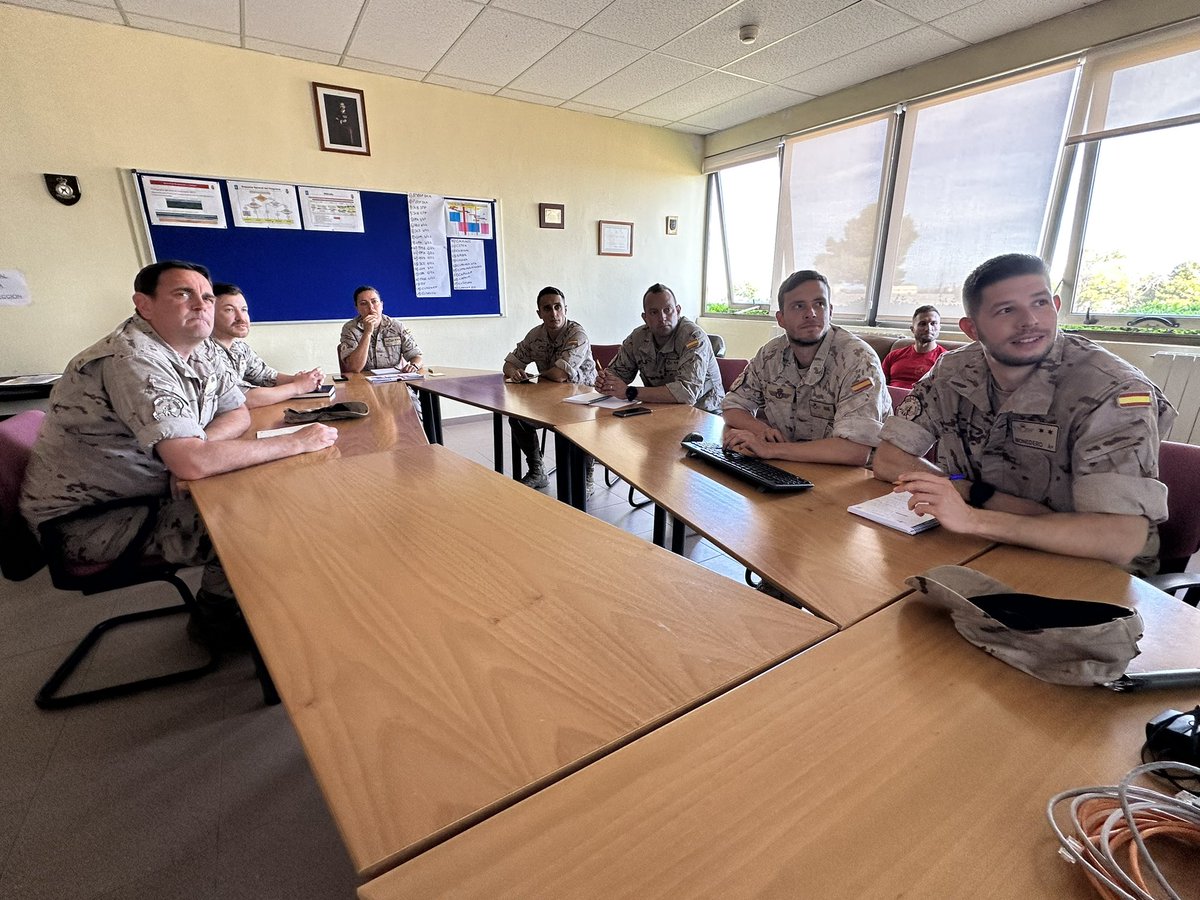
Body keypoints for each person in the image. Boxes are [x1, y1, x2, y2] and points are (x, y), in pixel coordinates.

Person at [20, 261, 338, 645]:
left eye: (206, 296)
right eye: (182, 294)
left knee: (264, 495)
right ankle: (217, 622)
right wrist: (295, 442)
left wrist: (195, 454)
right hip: (89, 521)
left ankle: (230, 607)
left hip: (143, 493)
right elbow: (191, 460)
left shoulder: (197, 349)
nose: (201, 305)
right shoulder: (132, 358)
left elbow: (236, 410)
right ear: (144, 304)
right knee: (261, 520)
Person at [873, 253, 1175, 575]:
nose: (1029, 321)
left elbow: (1119, 540)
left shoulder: (1113, 389)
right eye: (1006, 310)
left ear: (1056, 306)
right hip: (978, 543)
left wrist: (973, 513)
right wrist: (968, 491)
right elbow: (889, 458)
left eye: (1040, 303)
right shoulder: (952, 370)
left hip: (1088, 570)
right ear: (971, 329)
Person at [722, 270, 890, 465]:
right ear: (781, 319)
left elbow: (854, 451)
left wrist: (771, 449)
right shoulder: (770, 354)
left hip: (853, 478)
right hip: (790, 464)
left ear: (830, 311)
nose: (811, 313)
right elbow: (733, 406)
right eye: (798, 306)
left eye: (819, 304)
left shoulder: (858, 359)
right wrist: (763, 432)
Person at [503, 286, 598, 493]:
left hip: (584, 401)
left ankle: (587, 477)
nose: (554, 313)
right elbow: (509, 364)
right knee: (517, 417)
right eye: (547, 308)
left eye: (558, 307)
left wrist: (537, 375)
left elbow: (560, 375)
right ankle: (538, 472)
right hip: (550, 399)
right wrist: (515, 372)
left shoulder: (577, 334)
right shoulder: (535, 335)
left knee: (582, 424)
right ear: (539, 313)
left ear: (566, 309)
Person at [595, 283, 723, 412]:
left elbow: (687, 394)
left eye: (667, 310)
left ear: (678, 311)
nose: (662, 318)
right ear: (645, 318)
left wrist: (630, 392)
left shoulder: (693, 337)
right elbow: (617, 374)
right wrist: (606, 382)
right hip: (660, 410)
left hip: (705, 413)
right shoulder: (637, 338)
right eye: (654, 312)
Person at [211, 282, 325, 408]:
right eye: (229, 310)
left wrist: (305, 379)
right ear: (208, 314)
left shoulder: (239, 347)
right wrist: (297, 387)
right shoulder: (206, 351)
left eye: (244, 310)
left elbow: (266, 376)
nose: (241, 318)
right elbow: (241, 398)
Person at [338, 286, 423, 373]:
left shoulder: (396, 326)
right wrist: (367, 333)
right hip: (363, 381)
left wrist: (414, 365)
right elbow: (354, 368)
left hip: (394, 379)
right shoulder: (350, 328)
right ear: (357, 308)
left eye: (374, 302)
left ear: (381, 305)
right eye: (364, 303)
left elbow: (416, 355)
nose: (371, 307)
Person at [881, 305, 948, 389]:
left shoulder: (945, 360)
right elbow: (879, 384)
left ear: (939, 328)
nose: (928, 328)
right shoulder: (894, 355)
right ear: (913, 329)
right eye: (922, 324)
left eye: (933, 323)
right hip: (890, 400)